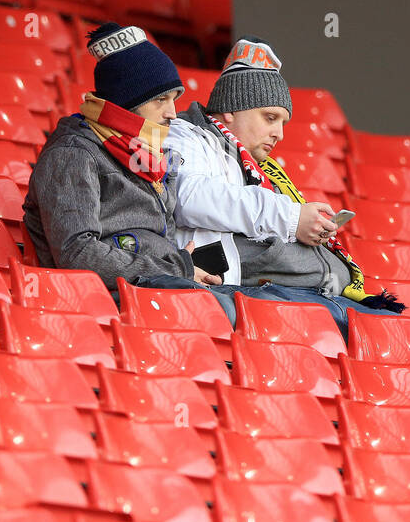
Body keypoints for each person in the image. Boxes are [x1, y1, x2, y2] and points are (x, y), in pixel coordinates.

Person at [22, 22, 281, 324]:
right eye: (161, 99)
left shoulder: (151, 156)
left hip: (158, 284)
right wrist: (177, 270)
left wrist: (181, 268)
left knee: (280, 309)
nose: (172, 112)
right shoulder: (74, 154)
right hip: (108, 298)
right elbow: (76, 253)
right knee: (235, 316)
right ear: (126, 101)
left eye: (174, 99)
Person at [165, 36, 406, 338]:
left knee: (402, 331)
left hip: (290, 292)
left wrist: (309, 227)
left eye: (283, 122)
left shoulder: (262, 168)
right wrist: (291, 219)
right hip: (232, 293)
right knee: (376, 331)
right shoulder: (184, 136)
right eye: (270, 118)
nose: (278, 133)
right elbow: (189, 198)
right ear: (230, 109)